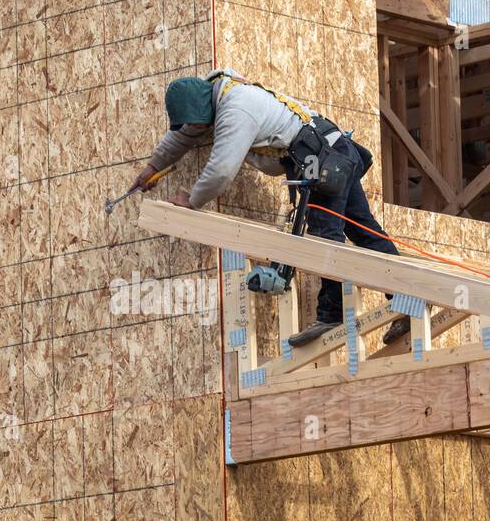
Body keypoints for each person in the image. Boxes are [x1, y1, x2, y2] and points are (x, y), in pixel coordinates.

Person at [132, 69, 407, 346]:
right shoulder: (215, 93)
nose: (196, 131)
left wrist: (191, 200)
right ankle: (405, 297)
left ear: (203, 110)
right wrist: (153, 167)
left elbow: (221, 171)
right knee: (363, 228)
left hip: (324, 159)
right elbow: (185, 135)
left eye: (196, 123)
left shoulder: (236, 110)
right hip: (333, 151)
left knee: (326, 235)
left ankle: (332, 314)